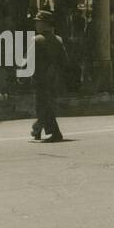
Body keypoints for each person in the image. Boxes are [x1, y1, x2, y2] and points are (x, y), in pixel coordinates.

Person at [30, 12, 66, 142]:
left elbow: (29, 60)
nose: (36, 24)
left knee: (43, 105)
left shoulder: (36, 40)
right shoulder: (58, 39)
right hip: (54, 78)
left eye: (38, 22)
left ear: (43, 24)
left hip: (40, 78)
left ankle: (55, 132)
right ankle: (38, 130)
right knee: (45, 104)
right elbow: (64, 60)